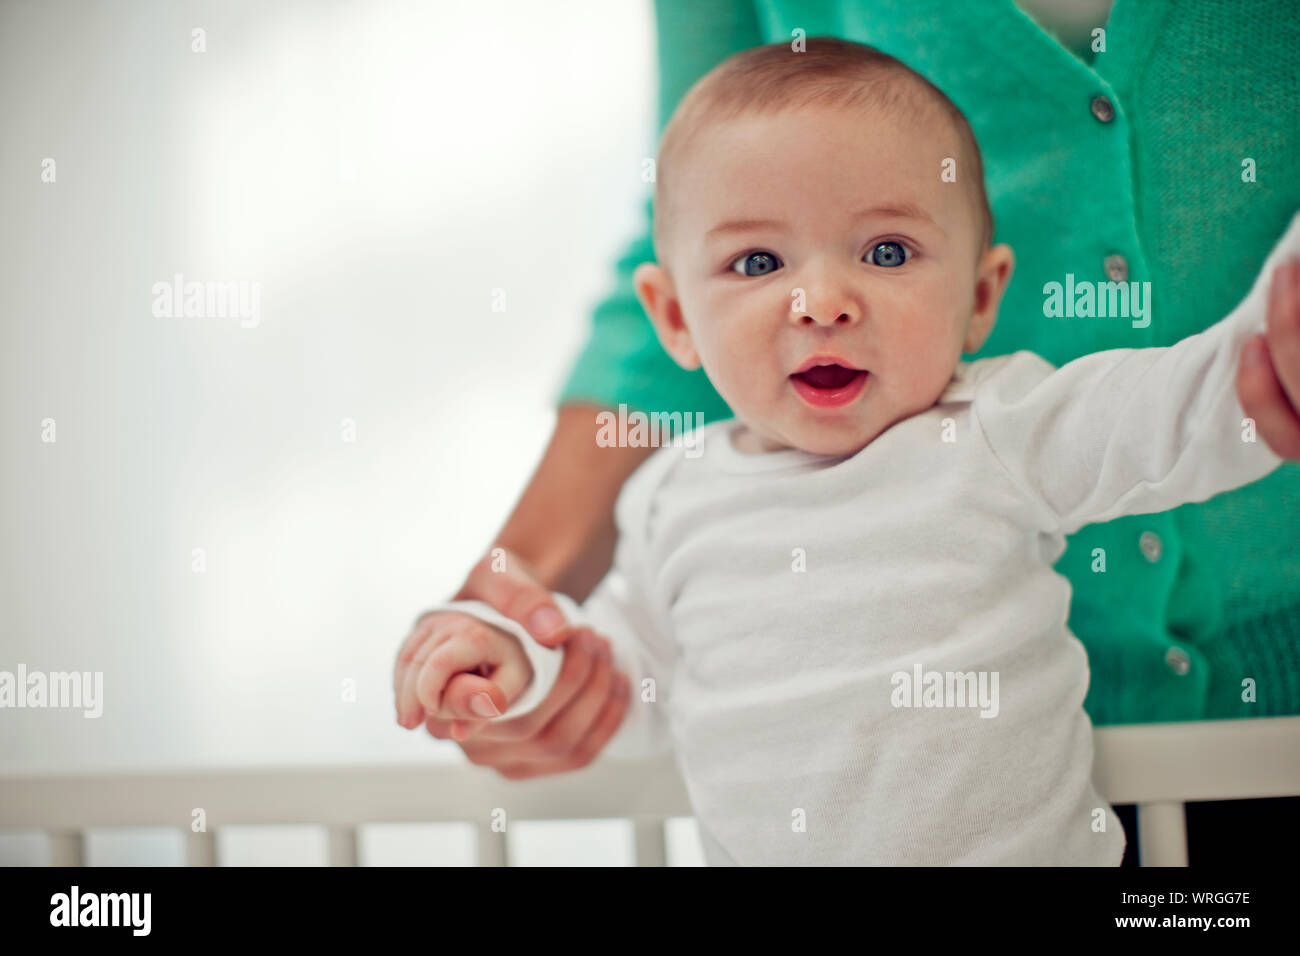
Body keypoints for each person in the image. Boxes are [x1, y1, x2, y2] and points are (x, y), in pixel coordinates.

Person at [395, 0, 1300, 860]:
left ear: (982, 297)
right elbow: (635, 683)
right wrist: (523, 666)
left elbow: (1177, 409)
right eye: (757, 261)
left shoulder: (998, 432)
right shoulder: (672, 499)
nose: (822, 301)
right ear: (674, 318)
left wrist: (1271, 331)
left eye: (887, 253)